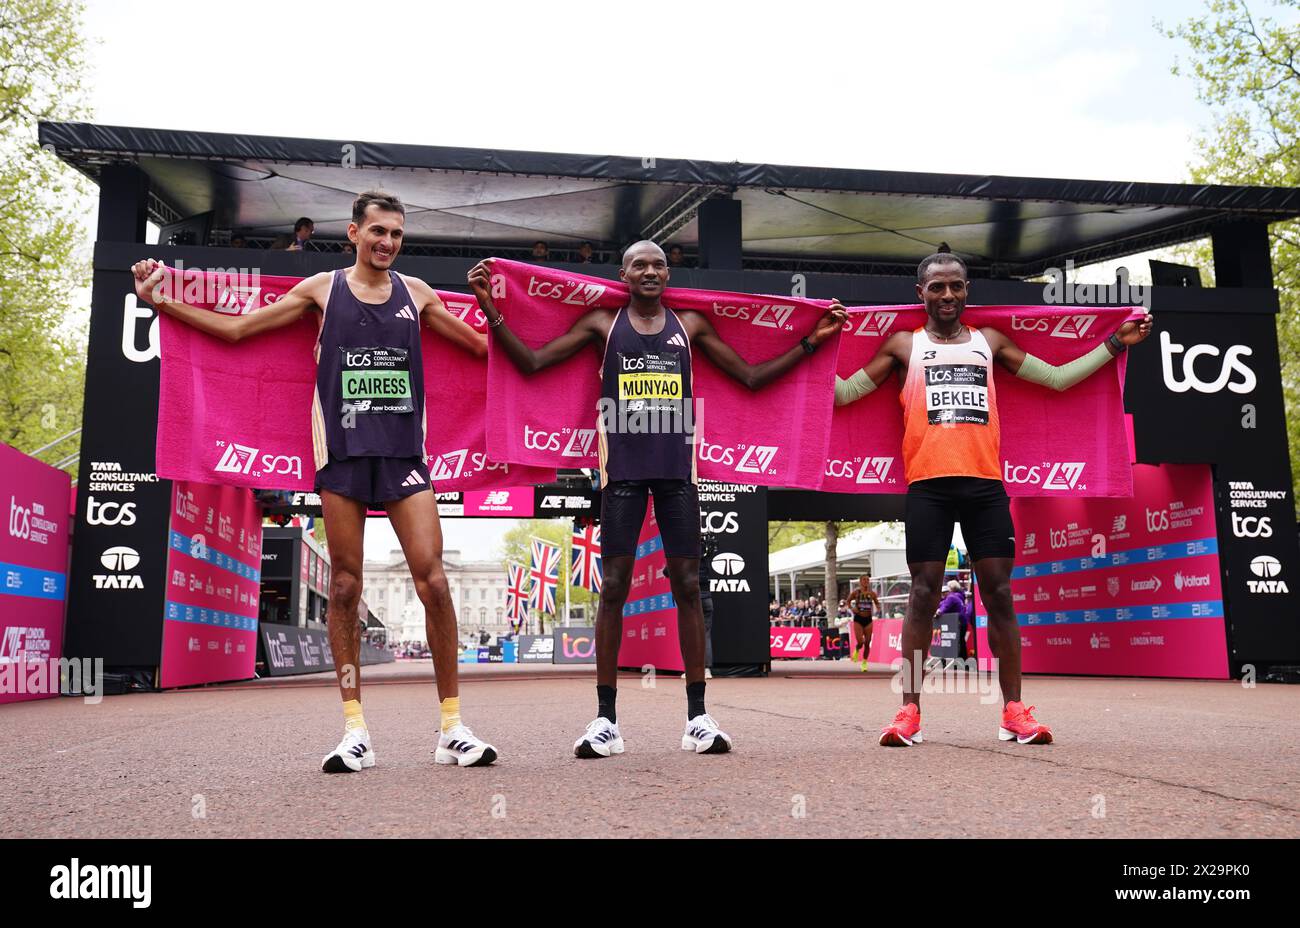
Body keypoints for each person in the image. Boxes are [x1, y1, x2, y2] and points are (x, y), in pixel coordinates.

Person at [131, 191, 499, 771]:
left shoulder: (418, 295)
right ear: (353, 233)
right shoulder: (321, 290)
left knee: (434, 583)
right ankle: (355, 730)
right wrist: (161, 302)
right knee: (347, 587)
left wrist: (490, 305)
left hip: (404, 454)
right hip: (342, 454)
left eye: (397, 234)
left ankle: (452, 725)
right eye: (378, 231)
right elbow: (236, 332)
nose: (388, 243)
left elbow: (483, 349)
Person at [468, 241, 845, 758]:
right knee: (615, 588)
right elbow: (533, 363)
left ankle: (698, 717)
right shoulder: (604, 326)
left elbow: (751, 378)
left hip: (677, 477)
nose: (650, 271)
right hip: (621, 475)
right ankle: (605, 720)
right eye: (639, 265)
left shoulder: (688, 327)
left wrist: (811, 343)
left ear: (669, 274)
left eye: (658, 265)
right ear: (623, 274)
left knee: (689, 585)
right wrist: (493, 312)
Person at [834, 249, 1153, 747]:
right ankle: (909, 713)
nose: (947, 295)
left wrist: (1115, 342)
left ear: (967, 291)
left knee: (1000, 595)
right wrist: (808, 347)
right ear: (920, 293)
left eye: (956, 286)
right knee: (921, 595)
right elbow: (846, 392)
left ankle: (1013, 711)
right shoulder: (902, 345)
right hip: (928, 487)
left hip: (985, 486)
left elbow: (1056, 378)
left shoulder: (990, 342)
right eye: (936, 287)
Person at [846, 575, 881, 672]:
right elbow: (847, 601)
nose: (866, 581)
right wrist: (852, 608)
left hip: (868, 619)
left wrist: (878, 608)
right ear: (860, 582)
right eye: (864, 580)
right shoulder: (856, 592)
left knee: (867, 642)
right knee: (860, 642)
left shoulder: (872, 593)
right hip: (858, 619)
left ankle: (864, 663)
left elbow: (877, 602)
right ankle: (857, 649)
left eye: (867, 580)